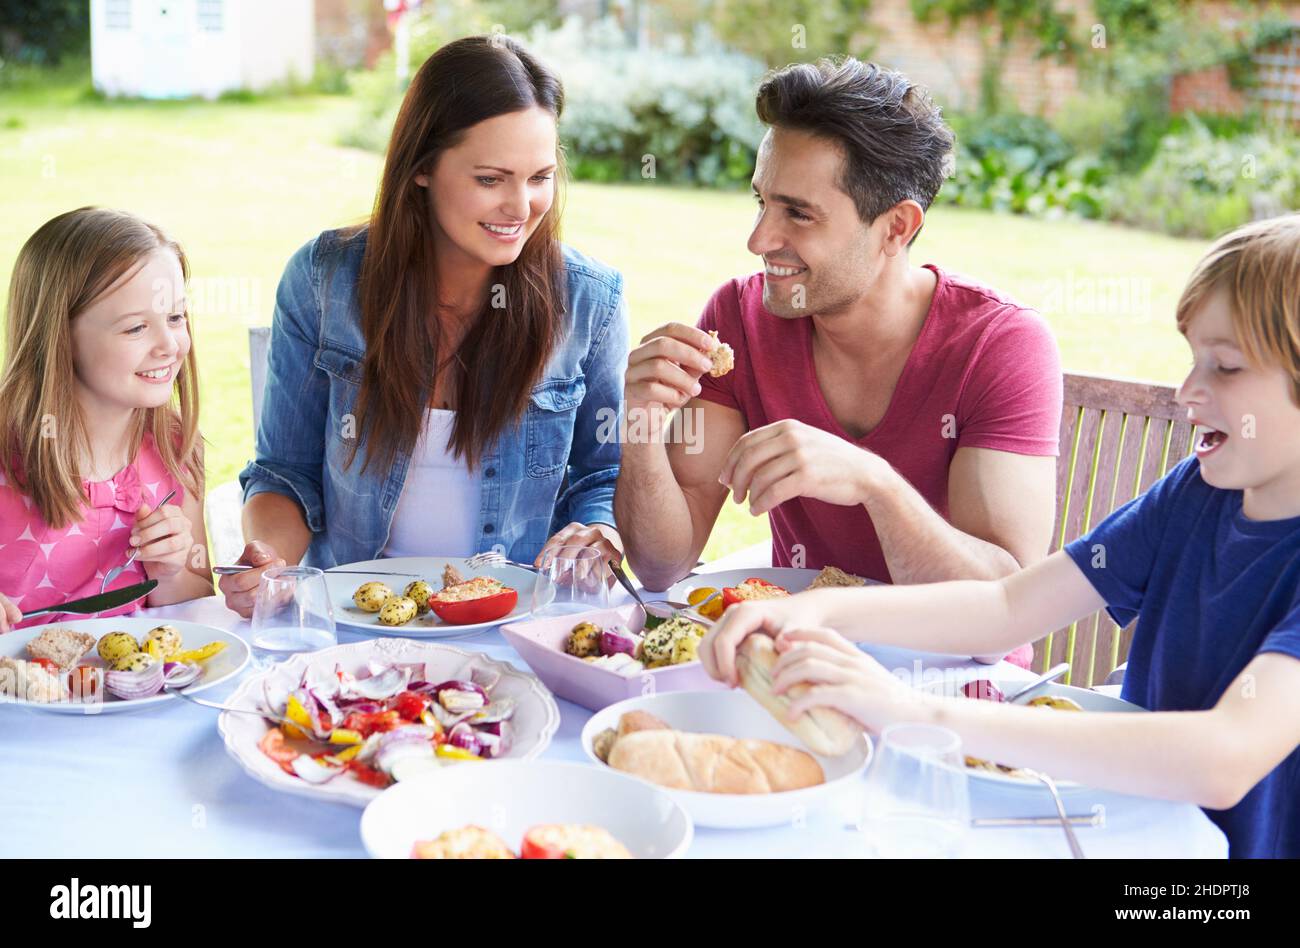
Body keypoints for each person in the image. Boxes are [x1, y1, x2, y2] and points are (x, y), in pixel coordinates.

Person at [700, 215, 1300, 858]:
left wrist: (909, 711)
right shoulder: (1196, 494)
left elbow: (1224, 756)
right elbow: (1007, 608)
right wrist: (809, 610)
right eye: (1193, 360)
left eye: (1227, 368)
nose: (1188, 391)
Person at [614, 58, 1061, 668]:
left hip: (946, 690)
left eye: (797, 213)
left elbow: (1000, 615)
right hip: (794, 664)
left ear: (895, 227)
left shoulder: (1000, 344)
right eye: (761, 202)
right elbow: (663, 561)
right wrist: (640, 421)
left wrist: (873, 484)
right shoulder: (740, 317)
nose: (758, 239)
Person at [221, 36, 628, 617]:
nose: (522, 206)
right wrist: (269, 565)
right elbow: (284, 473)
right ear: (421, 169)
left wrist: (599, 533)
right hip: (354, 616)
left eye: (540, 177)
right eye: (491, 179)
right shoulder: (323, 279)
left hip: (515, 621)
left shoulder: (590, 300)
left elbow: (602, 476)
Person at [0, 207, 212, 631]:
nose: (169, 345)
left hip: (133, 692)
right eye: (136, 328)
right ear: (59, 336)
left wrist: (168, 570)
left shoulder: (173, 446)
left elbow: (193, 607)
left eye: (175, 317)